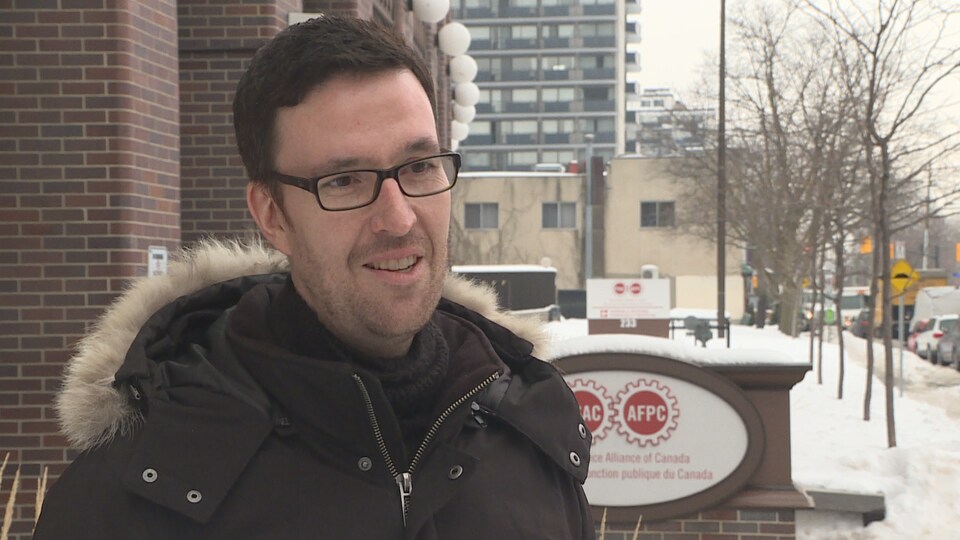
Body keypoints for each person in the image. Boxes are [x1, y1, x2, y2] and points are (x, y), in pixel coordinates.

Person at [34, 15, 594, 540]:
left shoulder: (530, 438)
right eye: (345, 180)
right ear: (272, 215)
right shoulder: (143, 483)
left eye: (420, 167)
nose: (399, 219)